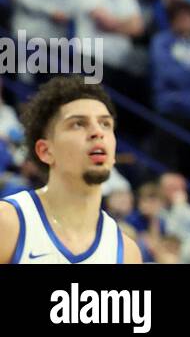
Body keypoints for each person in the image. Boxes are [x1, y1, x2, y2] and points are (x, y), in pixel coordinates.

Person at [0, 77, 142, 263]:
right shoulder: (8, 222)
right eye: (78, 124)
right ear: (45, 151)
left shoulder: (126, 252)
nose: (98, 132)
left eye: (105, 124)